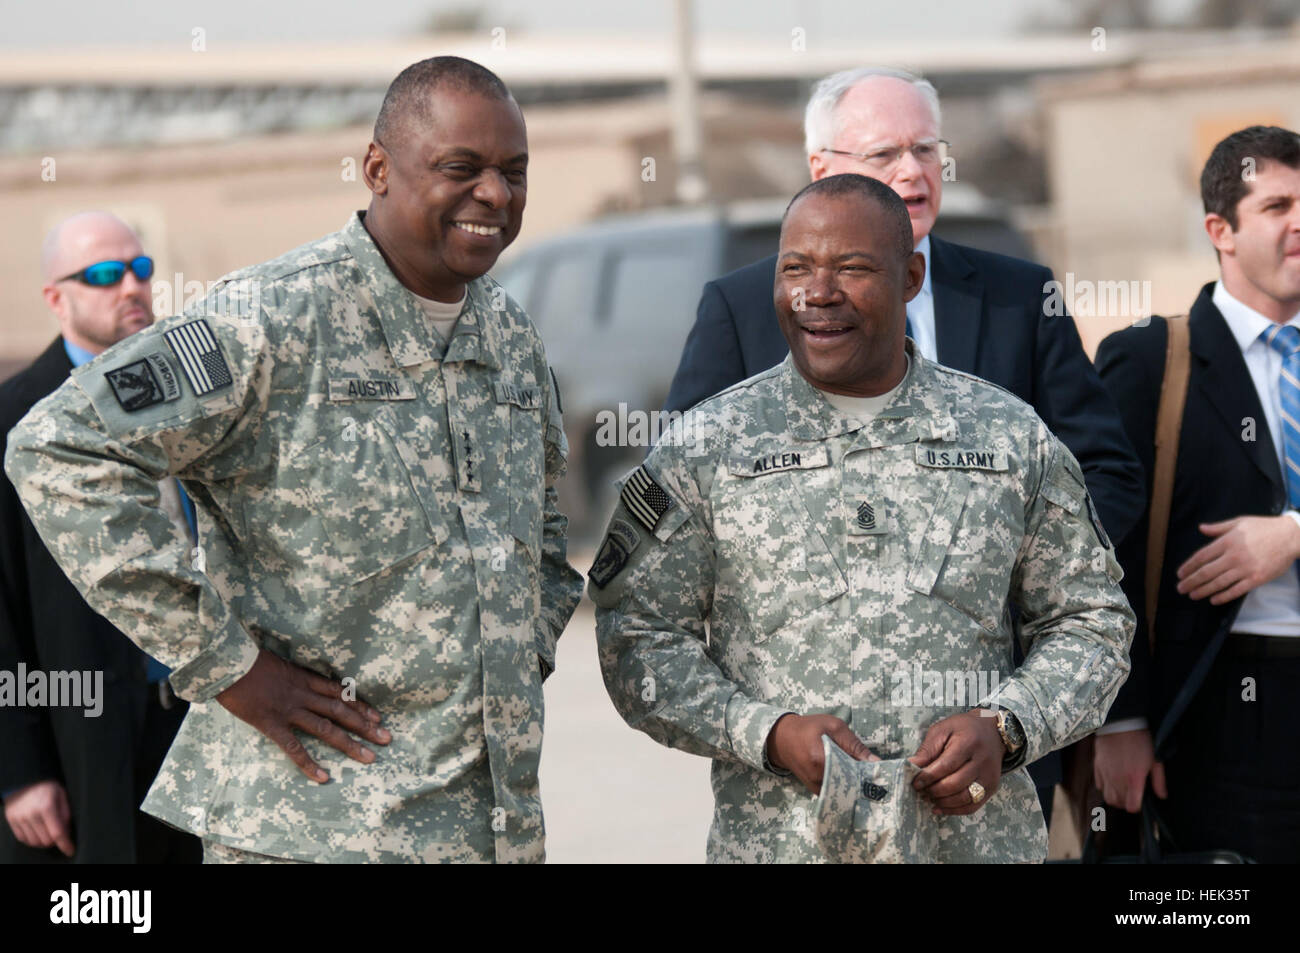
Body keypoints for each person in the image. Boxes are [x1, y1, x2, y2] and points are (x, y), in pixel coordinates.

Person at [5, 56, 583, 864]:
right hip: (309, 830)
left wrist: (530, 639)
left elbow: (544, 516)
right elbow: (57, 448)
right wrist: (226, 663)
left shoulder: (510, 337)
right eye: (462, 168)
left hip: (488, 829)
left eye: (514, 172)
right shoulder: (269, 319)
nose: (496, 194)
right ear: (378, 168)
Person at [590, 174, 1134, 863]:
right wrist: (765, 731)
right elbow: (635, 633)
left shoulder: (1007, 435)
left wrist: (1008, 727)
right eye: (796, 268)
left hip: (974, 846)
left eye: (851, 268)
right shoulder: (707, 446)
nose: (818, 293)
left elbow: (1092, 620)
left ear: (910, 277)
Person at [1093, 125, 1300, 862]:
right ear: (1221, 230)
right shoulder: (1151, 359)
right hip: (1221, 710)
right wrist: (1120, 721)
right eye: (1278, 205)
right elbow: (1099, 552)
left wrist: (1294, 531)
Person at [0, 212, 201, 864]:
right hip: (82, 727)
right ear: (56, 298)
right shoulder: (14, 418)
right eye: (105, 275)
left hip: (208, 712)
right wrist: (19, 769)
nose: (132, 287)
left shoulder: (198, 398)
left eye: (140, 270)